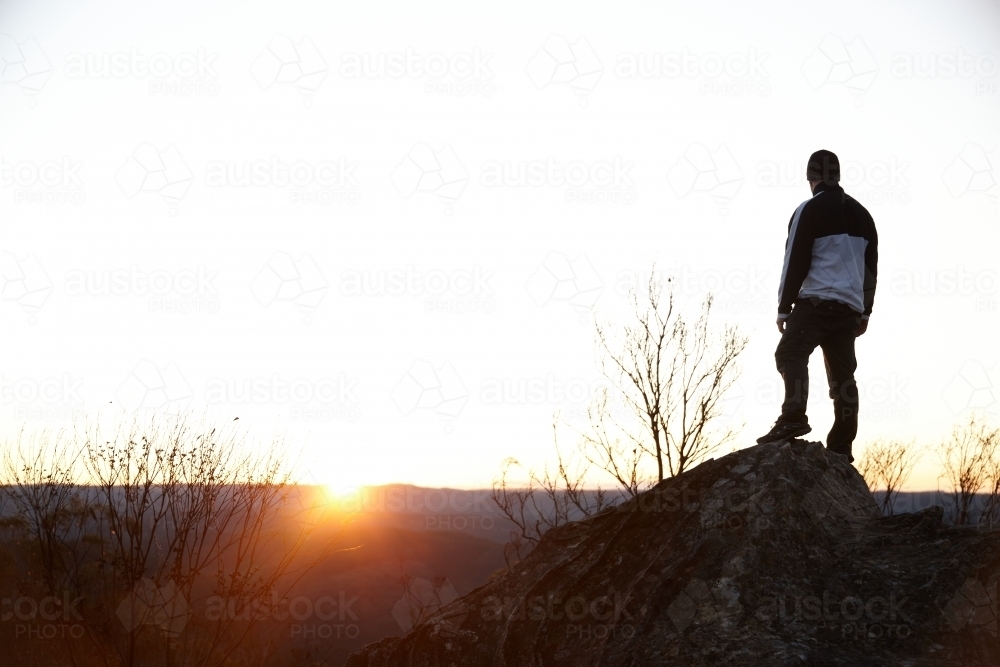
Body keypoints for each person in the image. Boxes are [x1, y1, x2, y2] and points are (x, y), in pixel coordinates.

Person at [756, 149, 878, 462]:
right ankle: (841, 447)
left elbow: (795, 258)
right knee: (843, 378)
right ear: (837, 175)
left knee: (790, 353)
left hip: (817, 302)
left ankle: (794, 417)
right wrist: (865, 311)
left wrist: (784, 308)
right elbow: (871, 269)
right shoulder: (865, 216)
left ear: (812, 178)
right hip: (849, 308)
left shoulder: (808, 209)